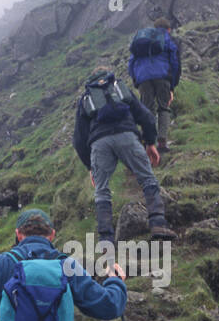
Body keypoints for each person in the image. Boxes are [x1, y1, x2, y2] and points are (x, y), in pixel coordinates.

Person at [73, 66, 177, 247]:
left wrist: (90, 166)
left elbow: (79, 139)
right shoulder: (119, 88)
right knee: (147, 178)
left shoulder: (86, 98)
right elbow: (145, 115)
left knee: (102, 189)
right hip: (127, 136)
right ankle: (158, 224)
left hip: (100, 142)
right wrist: (150, 142)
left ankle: (105, 239)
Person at [127, 17, 181, 152]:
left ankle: (148, 142)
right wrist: (172, 85)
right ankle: (162, 141)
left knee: (147, 110)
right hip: (162, 76)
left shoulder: (142, 39)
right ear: (168, 29)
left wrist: (136, 80)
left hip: (143, 78)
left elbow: (131, 62)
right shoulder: (168, 39)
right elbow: (175, 62)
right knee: (164, 107)